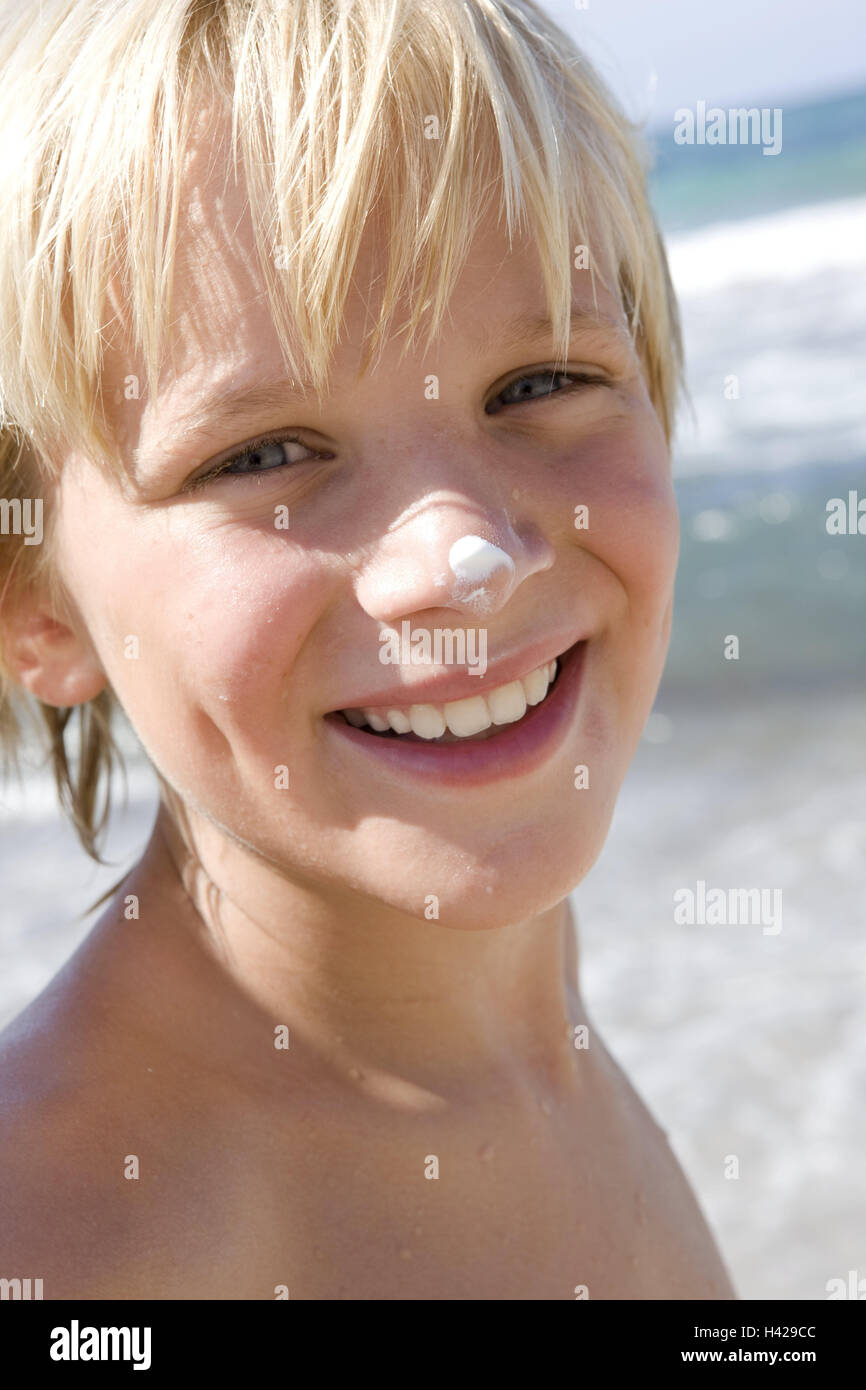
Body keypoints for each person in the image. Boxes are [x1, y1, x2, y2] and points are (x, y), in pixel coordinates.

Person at [0, 0, 735, 1299]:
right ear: (31, 605)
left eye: (538, 384)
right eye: (266, 456)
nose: (468, 556)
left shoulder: (515, 1050)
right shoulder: (75, 1242)